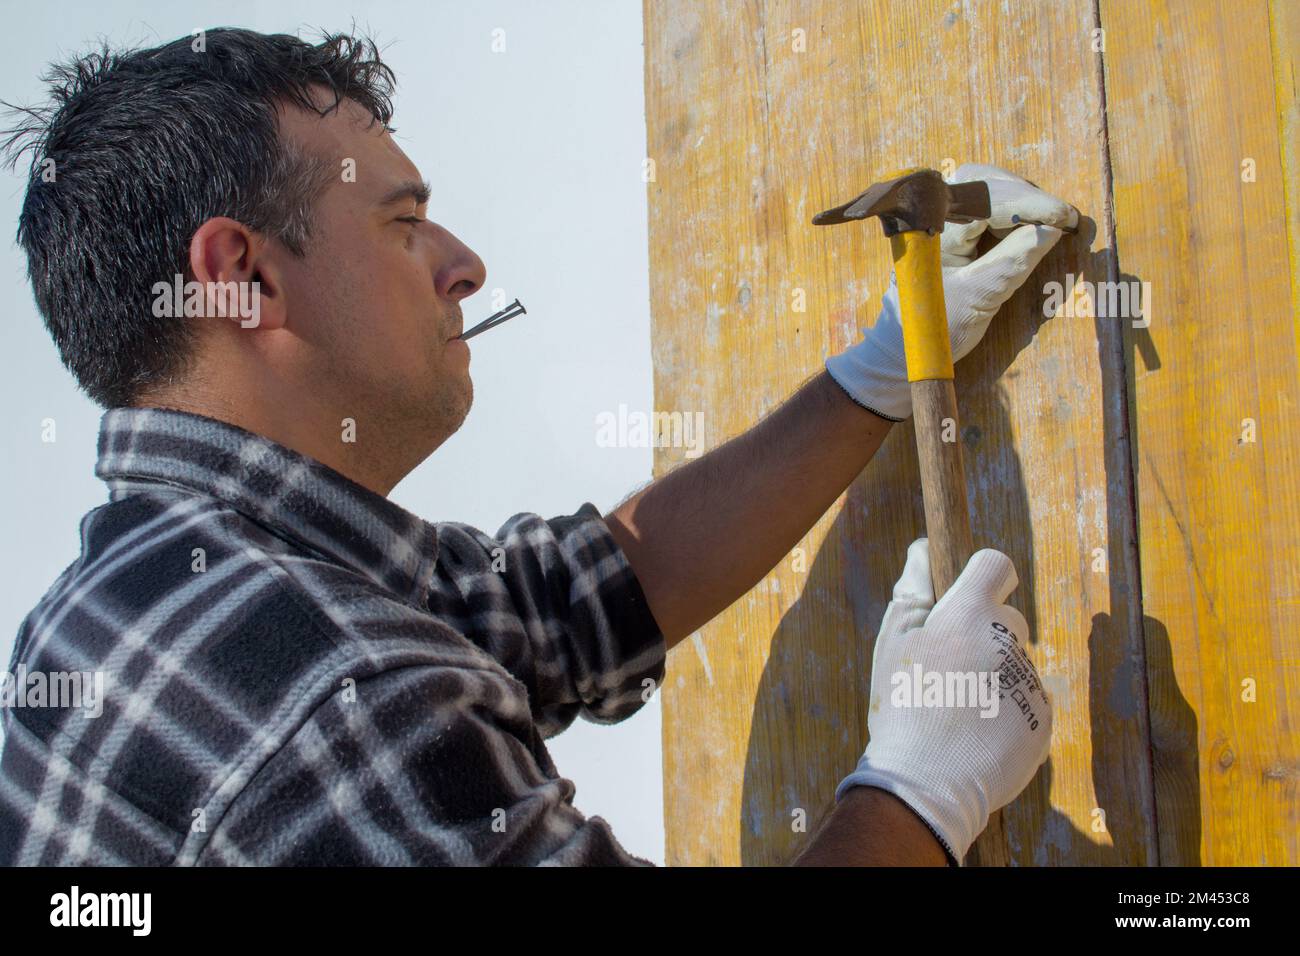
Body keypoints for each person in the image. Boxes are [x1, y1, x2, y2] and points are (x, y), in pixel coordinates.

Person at [0, 28, 1067, 866]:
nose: (462, 265)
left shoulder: (158, 588)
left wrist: (871, 374)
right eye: (403, 221)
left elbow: (570, 598)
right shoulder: (318, 695)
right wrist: (924, 789)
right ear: (243, 274)